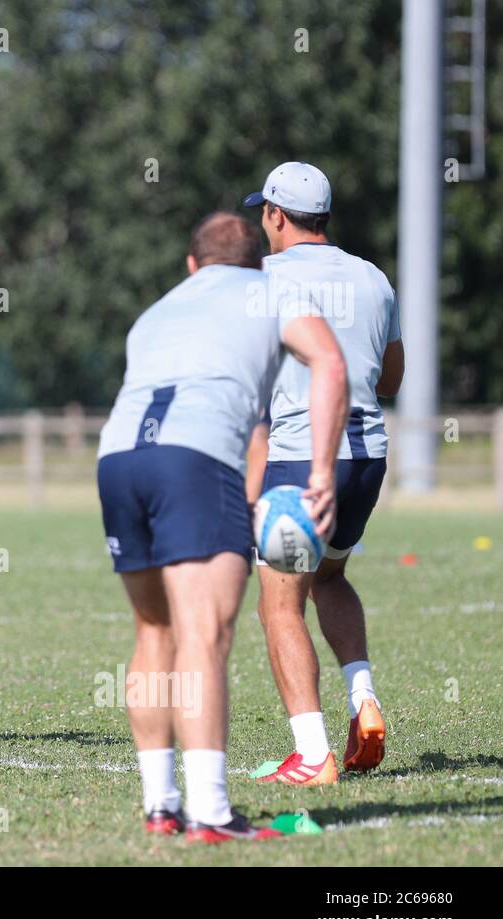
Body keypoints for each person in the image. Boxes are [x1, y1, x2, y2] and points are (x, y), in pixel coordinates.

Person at [96, 212, 348, 843]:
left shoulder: (156, 312)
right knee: (204, 636)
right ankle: (210, 813)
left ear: (191, 265)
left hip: (118, 459)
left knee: (154, 632)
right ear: (256, 261)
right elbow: (331, 364)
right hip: (192, 458)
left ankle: (161, 805)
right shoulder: (270, 288)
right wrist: (320, 474)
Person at [243, 162, 404, 784]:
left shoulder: (259, 277)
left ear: (276, 216)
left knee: (279, 606)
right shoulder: (374, 278)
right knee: (330, 580)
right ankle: (363, 699)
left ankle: (313, 757)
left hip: (298, 459)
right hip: (366, 461)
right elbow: (390, 381)